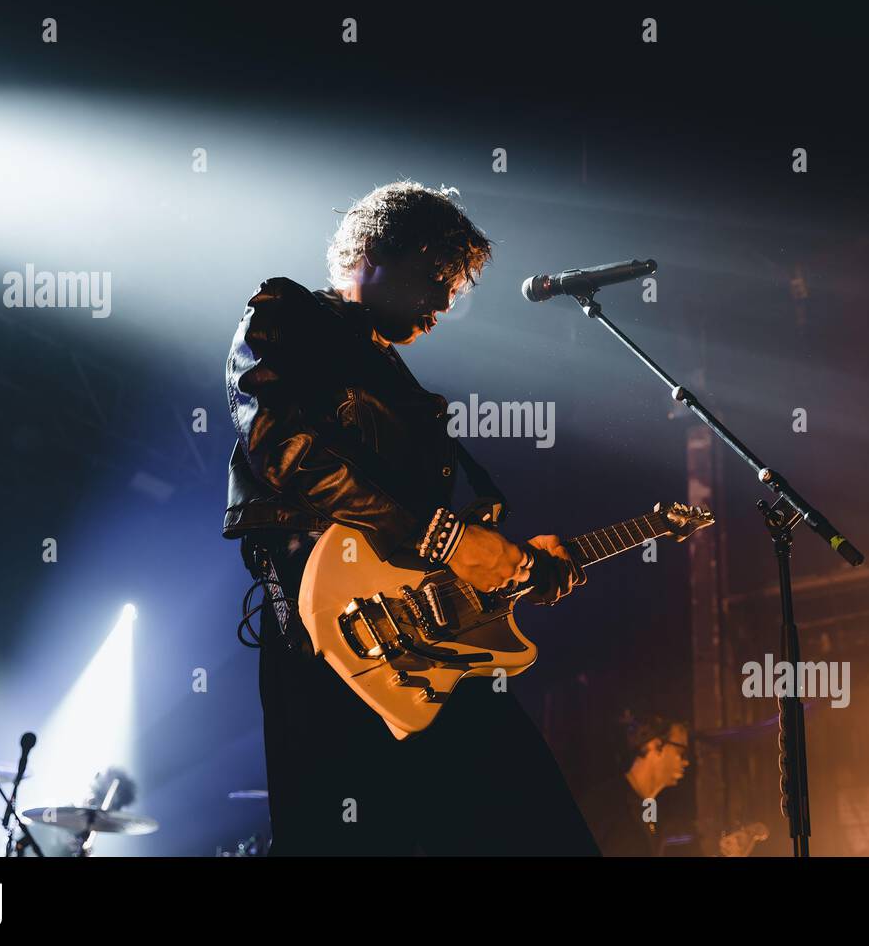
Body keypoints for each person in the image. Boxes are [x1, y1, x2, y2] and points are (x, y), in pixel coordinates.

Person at [223, 180, 597, 855]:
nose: (449, 298)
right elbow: (286, 450)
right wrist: (450, 538)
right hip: (327, 639)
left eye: (455, 283)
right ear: (372, 250)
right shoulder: (288, 314)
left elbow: (424, 549)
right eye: (437, 274)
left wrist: (512, 569)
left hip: (428, 649)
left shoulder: (406, 390)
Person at [581, 712, 690, 856]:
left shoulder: (650, 809)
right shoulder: (604, 805)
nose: (686, 762)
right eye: (681, 751)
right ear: (655, 746)